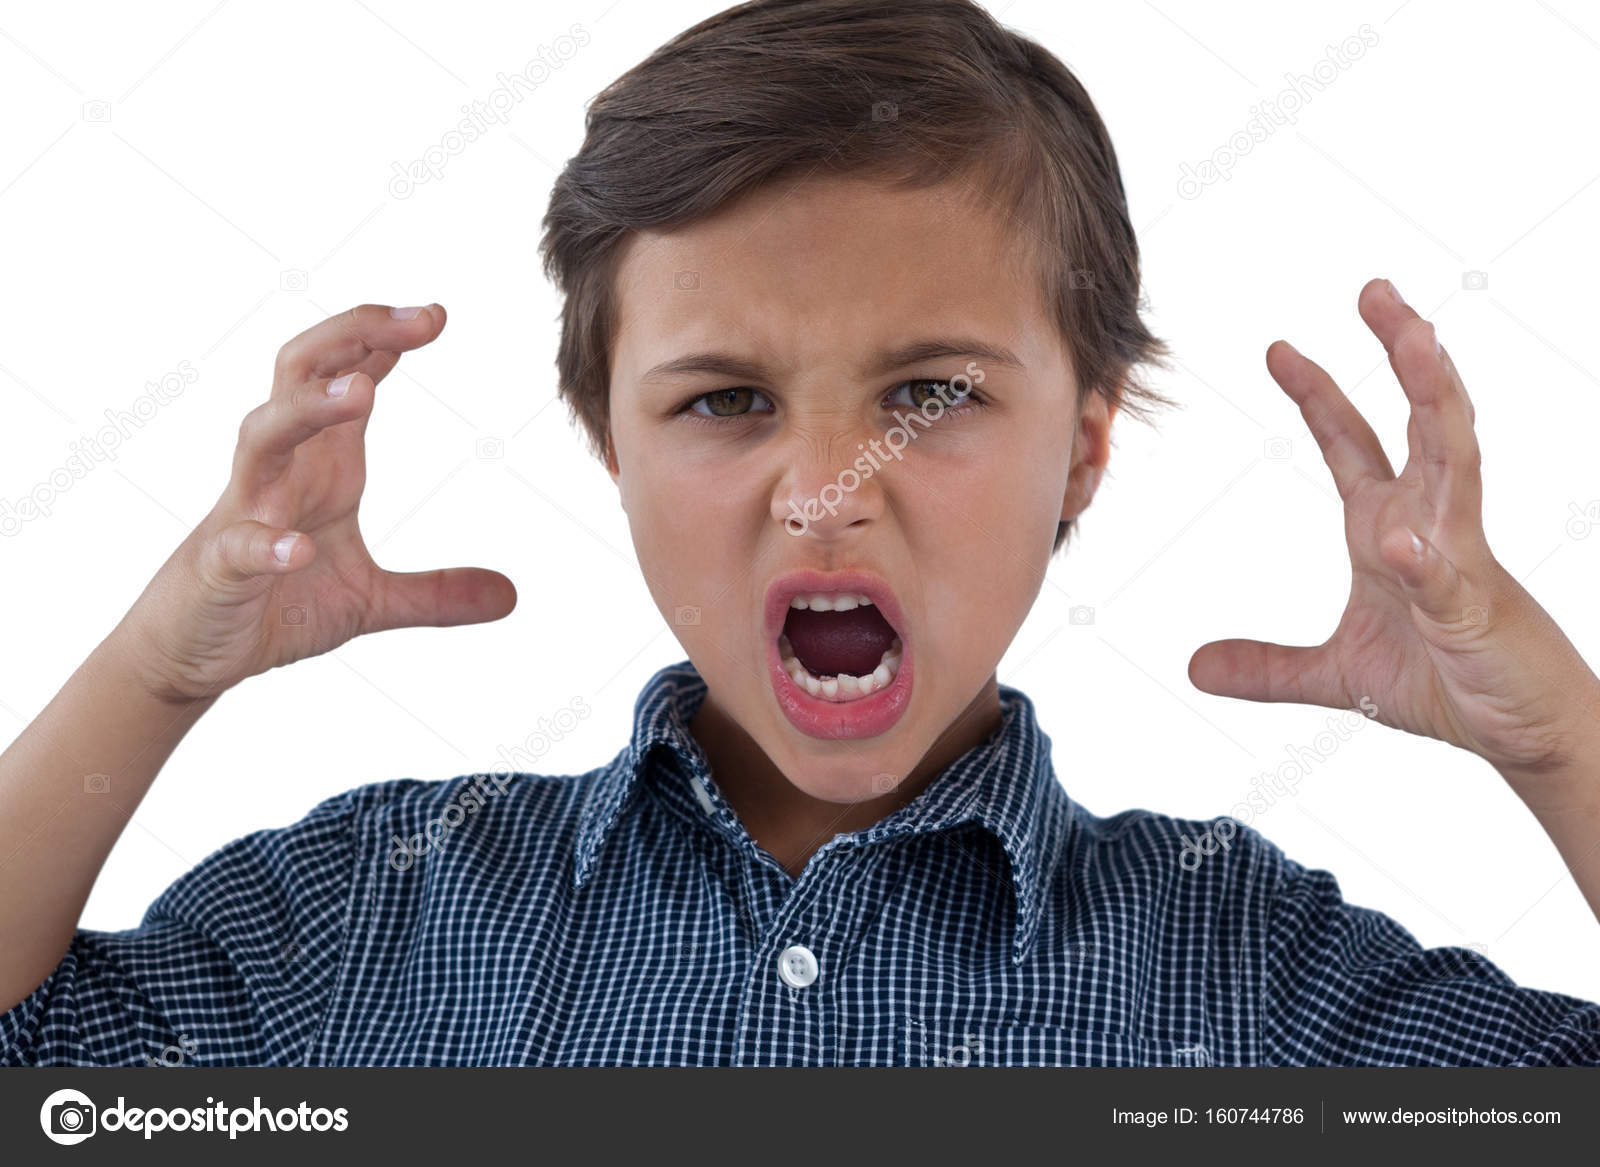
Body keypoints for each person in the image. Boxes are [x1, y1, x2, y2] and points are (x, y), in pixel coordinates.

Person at [4, 0, 1598, 1066]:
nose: (829, 490)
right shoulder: (383, 910)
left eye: (930, 391)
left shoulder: (1251, 972)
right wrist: (159, 669)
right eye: (722, 404)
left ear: (1085, 452)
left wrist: (1558, 744)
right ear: (605, 449)